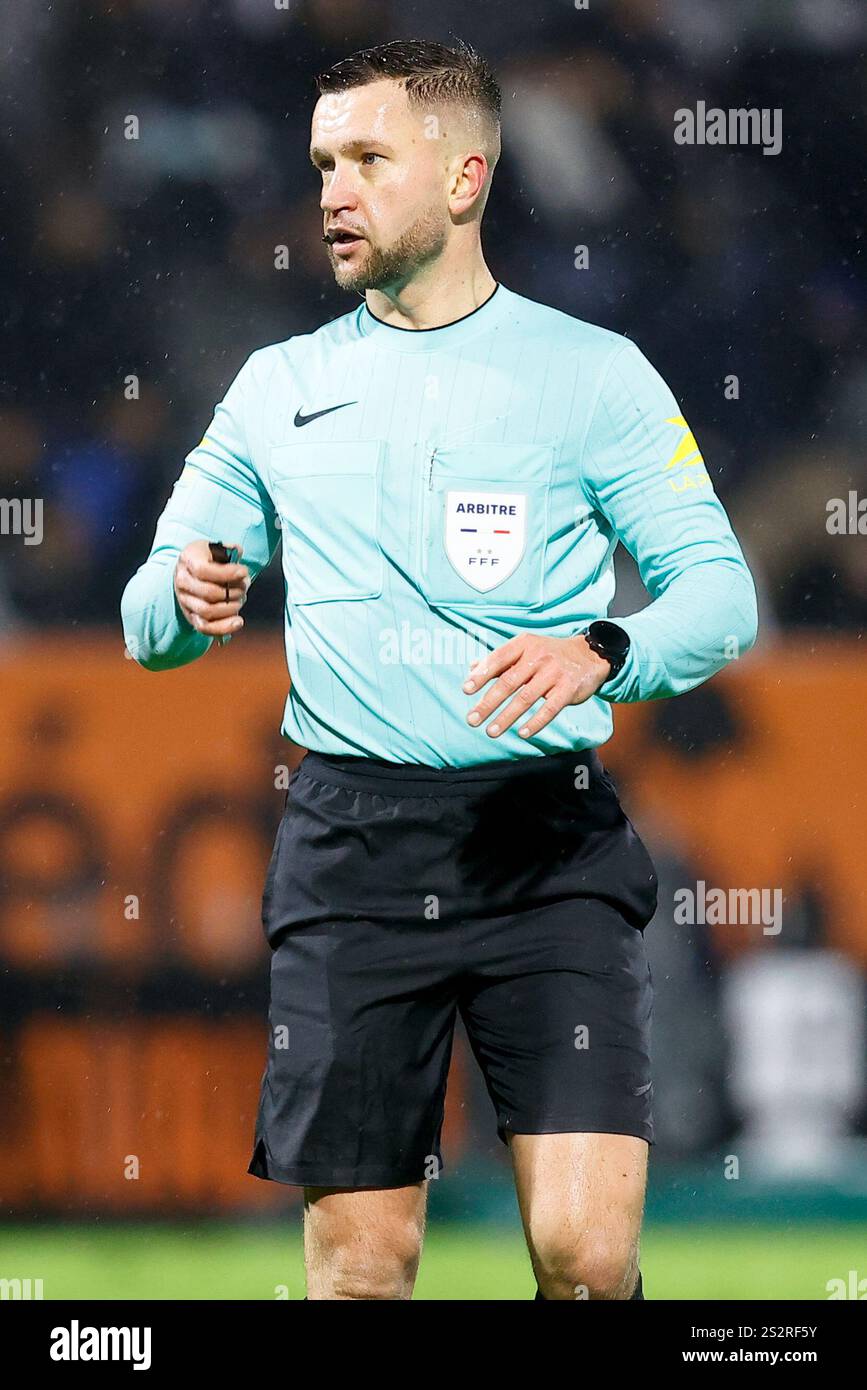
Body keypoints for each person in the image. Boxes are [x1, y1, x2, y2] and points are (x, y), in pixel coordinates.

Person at [121, 39, 758, 1300]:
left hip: (543, 846)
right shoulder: (277, 388)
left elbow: (721, 594)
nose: (332, 193)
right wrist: (186, 601)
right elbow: (150, 612)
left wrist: (604, 650)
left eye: (367, 159)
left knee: (586, 1257)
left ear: (465, 177)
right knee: (363, 1265)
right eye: (321, 164)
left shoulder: (592, 376)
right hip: (351, 846)